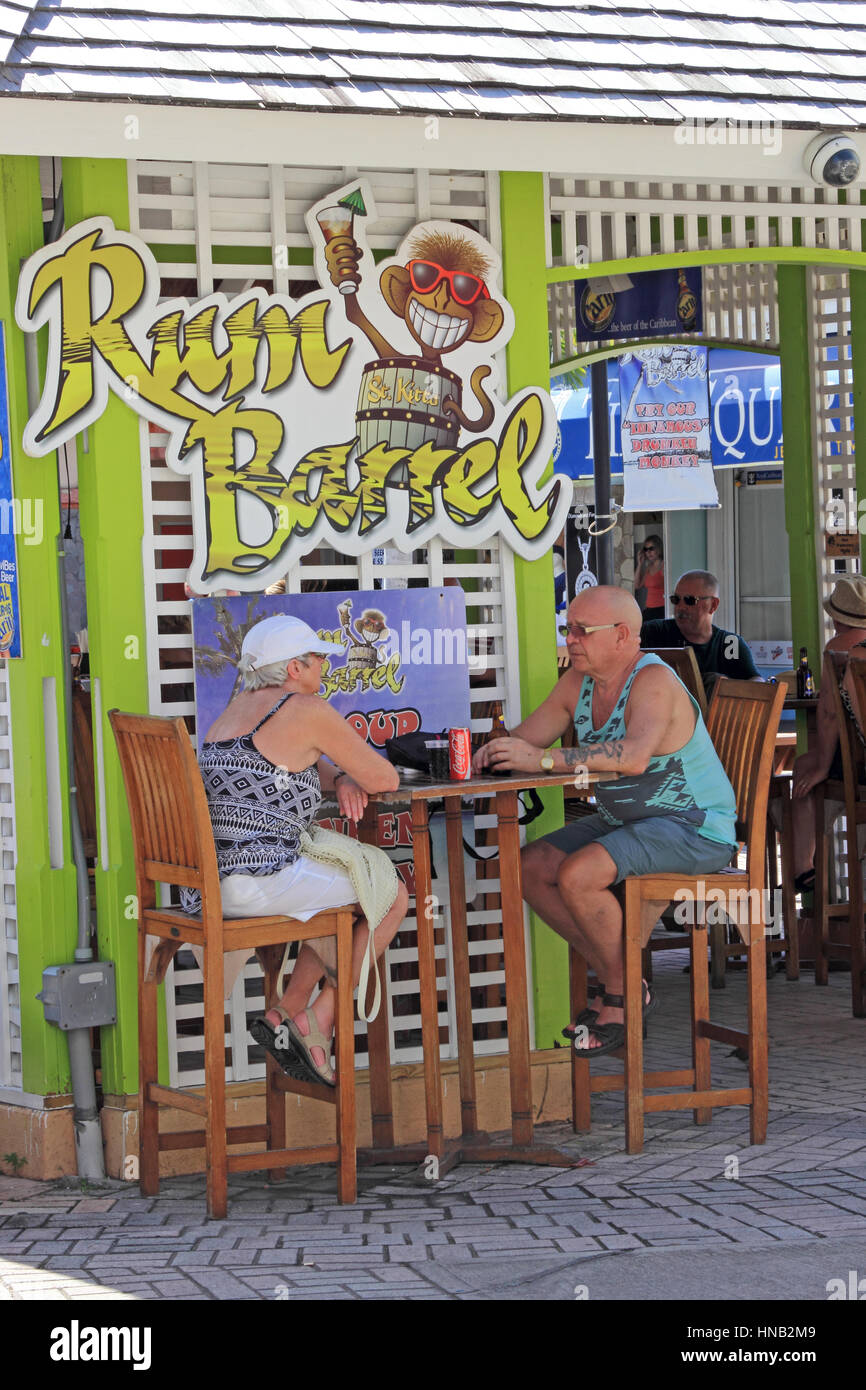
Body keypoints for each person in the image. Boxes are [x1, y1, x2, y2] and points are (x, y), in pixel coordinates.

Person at [472, 586, 737, 1056]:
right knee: (527, 868)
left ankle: (618, 996)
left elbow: (633, 758)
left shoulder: (653, 680)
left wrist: (543, 760)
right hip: (628, 821)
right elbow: (526, 742)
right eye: (567, 628)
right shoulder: (580, 680)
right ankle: (625, 983)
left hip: (693, 826)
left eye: (581, 630)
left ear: (621, 635)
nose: (570, 639)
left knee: (578, 875)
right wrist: (486, 753)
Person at [182, 614, 409, 1087]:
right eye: (318, 657)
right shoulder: (307, 709)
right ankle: (319, 1017)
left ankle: (286, 1011)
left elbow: (296, 762)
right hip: (262, 881)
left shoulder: (231, 713)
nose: (326, 664)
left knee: (331, 894)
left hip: (212, 886)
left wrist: (341, 777)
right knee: (390, 896)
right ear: (294, 668)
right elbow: (384, 779)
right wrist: (357, 774)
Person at [791, 576, 866, 893]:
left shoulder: (839, 650)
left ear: (837, 618)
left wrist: (822, 763)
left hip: (858, 768)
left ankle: (803, 869)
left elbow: (830, 712)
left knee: (803, 768)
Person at [640, 569, 761, 683]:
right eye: (676, 599)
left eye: (690, 600)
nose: (680, 607)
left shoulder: (730, 644)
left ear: (713, 605)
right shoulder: (653, 632)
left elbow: (754, 681)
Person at [633, 534, 665, 621]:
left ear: (658, 549)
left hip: (661, 609)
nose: (648, 552)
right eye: (646, 549)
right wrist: (639, 564)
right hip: (649, 609)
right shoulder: (648, 567)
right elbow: (637, 585)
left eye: (651, 549)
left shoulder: (664, 566)